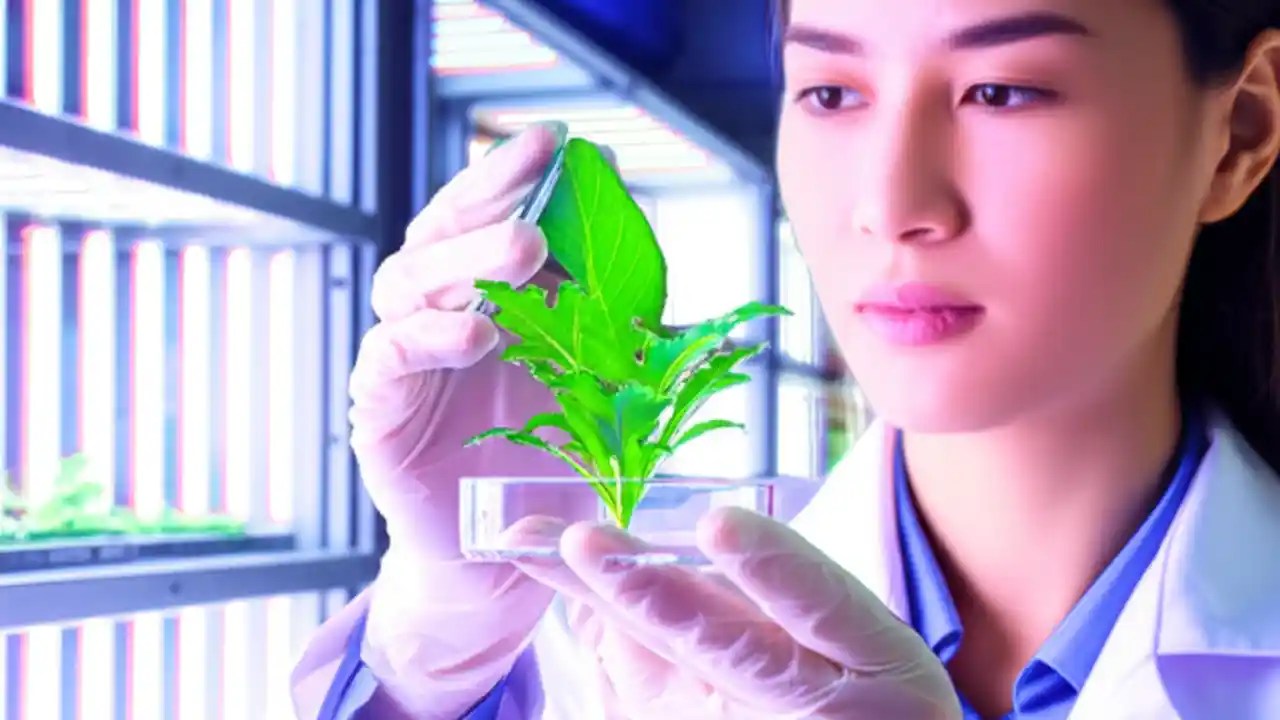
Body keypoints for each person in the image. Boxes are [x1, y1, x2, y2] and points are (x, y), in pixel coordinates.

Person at [291, 0, 1280, 716]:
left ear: (1237, 133)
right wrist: (437, 652)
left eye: (1000, 89)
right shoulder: (618, 636)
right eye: (830, 91)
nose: (890, 204)